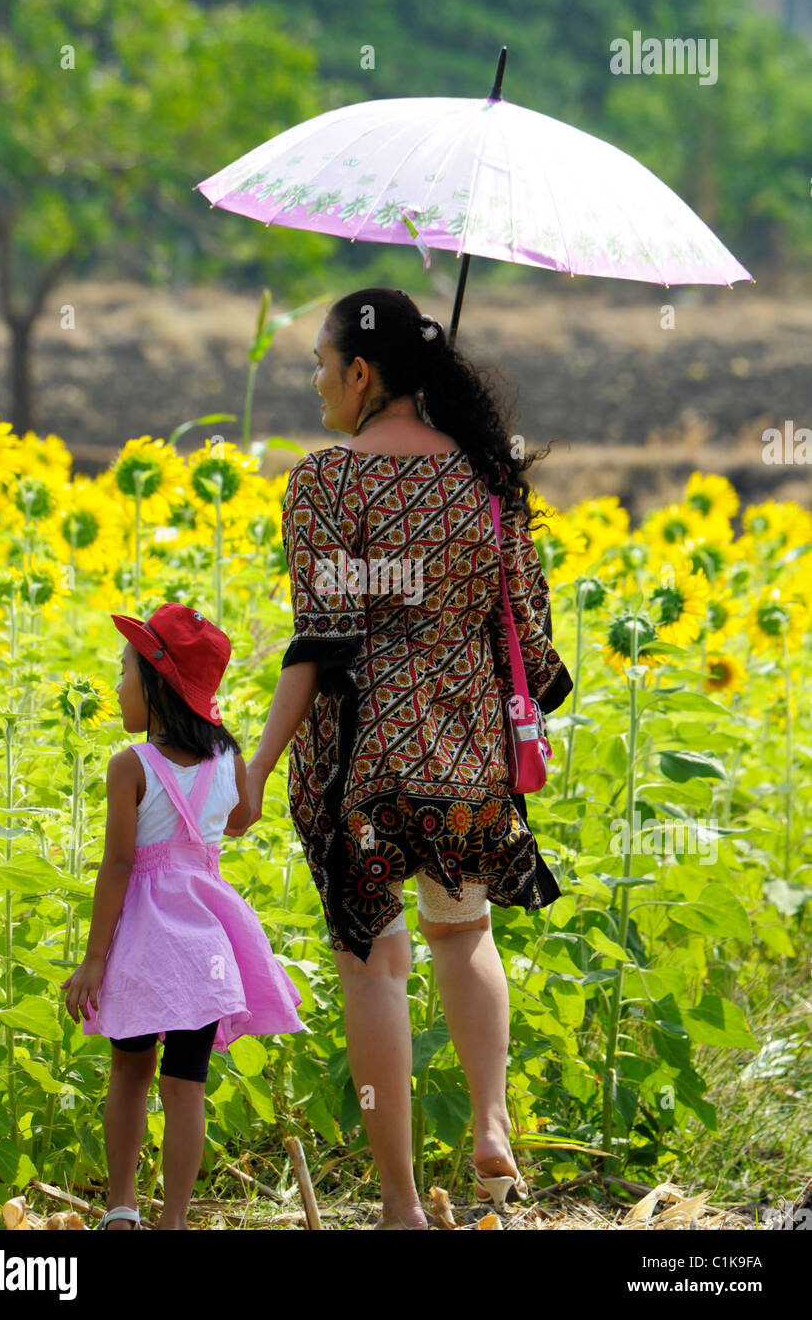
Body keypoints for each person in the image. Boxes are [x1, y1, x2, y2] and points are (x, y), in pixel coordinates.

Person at [237, 287, 574, 1230]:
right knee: (464, 937)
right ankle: (492, 1127)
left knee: (374, 967)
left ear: (359, 372)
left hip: (360, 771)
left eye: (318, 365)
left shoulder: (328, 482)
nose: (313, 386)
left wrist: (261, 767)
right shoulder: (486, 476)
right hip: (467, 762)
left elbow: (320, 642)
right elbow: (532, 636)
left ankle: (398, 1207)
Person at [61, 603, 306, 1231]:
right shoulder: (226, 759)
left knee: (129, 1069)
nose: (118, 685)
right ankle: (173, 1221)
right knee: (185, 1084)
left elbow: (117, 867)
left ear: (157, 685)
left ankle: (121, 1209)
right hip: (204, 947)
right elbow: (242, 814)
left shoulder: (131, 765)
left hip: (144, 944)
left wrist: (93, 961)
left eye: (125, 672)